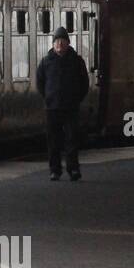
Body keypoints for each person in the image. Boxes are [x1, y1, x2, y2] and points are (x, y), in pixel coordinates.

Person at [35, 26, 90, 182]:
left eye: (62, 41)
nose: (59, 44)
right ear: (53, 44)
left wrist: (76, 98)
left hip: (71, 106)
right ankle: (55, 170)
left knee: (72, 139)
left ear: (68, 43)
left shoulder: (77, 61)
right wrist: (48, 97)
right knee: (53, 140)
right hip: (52, 107)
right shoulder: (46, 62)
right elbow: (40, 82)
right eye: (57, 41)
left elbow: (84, 83)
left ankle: (73, 169)